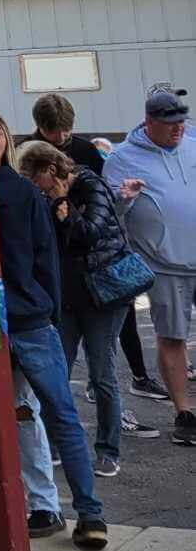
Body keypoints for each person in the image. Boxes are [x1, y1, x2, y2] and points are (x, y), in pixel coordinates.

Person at [0, 112, 109, 550]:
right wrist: (50, 312)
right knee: (58, 415)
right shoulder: (24, 193)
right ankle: (89, 512)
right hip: (31, 315)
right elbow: (47, 260)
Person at [21, 140, 159, 475]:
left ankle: (108, 450)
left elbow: (92, 233)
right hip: (68, 295)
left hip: (104, 294)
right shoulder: (43, 198)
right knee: (58, 372)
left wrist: (62, 206)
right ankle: (57, 444)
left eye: (32, 176)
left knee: (102, 373)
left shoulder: (88, 185)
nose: (30, 184)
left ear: (50, 171)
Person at [30, 95, 168, 402]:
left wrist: (118, 198)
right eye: (55, 132)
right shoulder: (31, 153)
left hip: (98, 256)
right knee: (66, 347)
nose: (62, 138)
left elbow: (103, 202)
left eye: (66, 130)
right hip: (61, 262)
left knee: (119, 323)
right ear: (40, 128)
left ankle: (139, 375)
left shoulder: (84, 151)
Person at [103, 88, 196, 446]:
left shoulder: (192, 144)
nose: (178, 129)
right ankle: (185, 414)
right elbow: (111, 214)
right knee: (172, 336)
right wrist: (123, 198)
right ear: (150, 122)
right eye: (171, 122)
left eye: (182, 120)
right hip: (164, 263)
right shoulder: (122, 159)